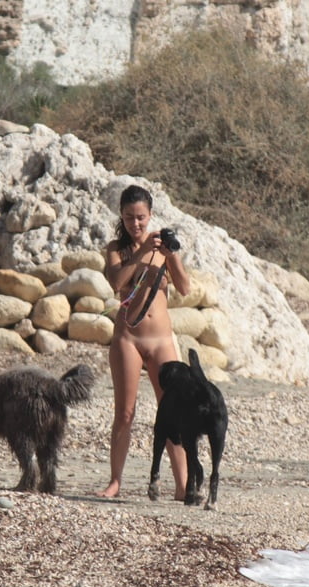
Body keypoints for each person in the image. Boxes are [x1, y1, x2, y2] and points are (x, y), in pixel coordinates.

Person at [97, 184, 192, 499]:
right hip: (128, 339)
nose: (135, 224)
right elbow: (116, 282)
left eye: (140, 217)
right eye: (129, 217)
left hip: (161, 341)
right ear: (121, 216)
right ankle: (115, 481)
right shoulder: (116, 249)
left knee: (172, 412)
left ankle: (182, 486)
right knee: (125, 413)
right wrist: (140, 253)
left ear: (150, 215)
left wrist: (170, 256)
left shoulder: (163, 246)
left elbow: (185, 288)